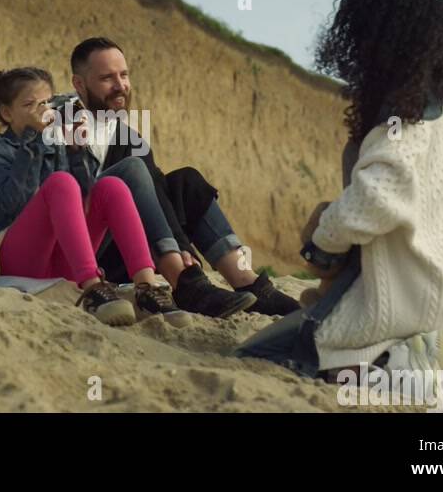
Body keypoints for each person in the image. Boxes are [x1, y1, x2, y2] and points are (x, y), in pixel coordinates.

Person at [238, 0, 443, 403]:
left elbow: (376, 200)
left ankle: (412, 366)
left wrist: (325, 239)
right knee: (285, 341)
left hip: (397, 298)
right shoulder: (437, 122)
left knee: (276, 356)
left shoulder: (398, 128)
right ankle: (435, 343)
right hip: (430, 293)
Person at [62, 37, 300, 318]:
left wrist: (183, 246)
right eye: (106, 78)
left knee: (186, 181)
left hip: (135, 246)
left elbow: (156, 193)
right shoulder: (61, 125)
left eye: (123, 75)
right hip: (90, 248)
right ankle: (185, 284)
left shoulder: (127, 137)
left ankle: (248, 282)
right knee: (133, 173)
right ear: (79, 85)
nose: (120, 85)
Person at [0, 67, 192, 328]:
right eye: (30, 104)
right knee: (60, 183)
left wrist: (77, 149)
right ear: (7, 113)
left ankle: (147, 288)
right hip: (8, 258)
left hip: (59, 262)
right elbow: (16, 203)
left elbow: (85, 198)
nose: (42, 111)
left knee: (111, 186)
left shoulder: (56, 140)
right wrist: (33, 141)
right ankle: (92, 289)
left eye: (46, 103)